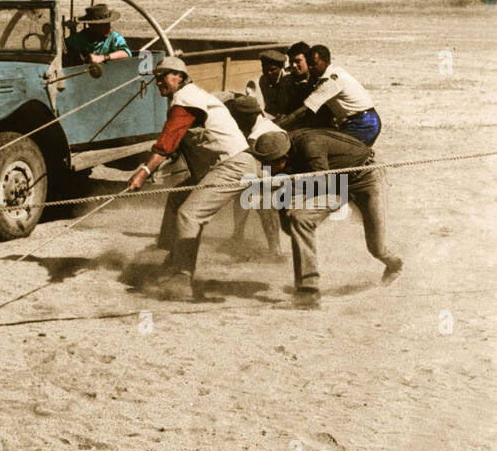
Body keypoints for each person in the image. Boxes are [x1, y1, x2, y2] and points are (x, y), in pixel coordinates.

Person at [125, 56, 256, 301]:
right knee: (177, 199)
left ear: (180, 77)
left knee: (189, 214)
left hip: (234, 165)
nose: (158, 82)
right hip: (220, 166)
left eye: (163, 77)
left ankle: (182, 279)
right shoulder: (185, 98)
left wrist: (143, 172)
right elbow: (176, 147)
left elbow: (167, 142)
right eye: (156, 77)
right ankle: (173, 261)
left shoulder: (187, 98)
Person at [253, 128, 403, 308]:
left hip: (366, 179)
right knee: (299, 218)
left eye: (268, 163)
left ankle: (395, 264)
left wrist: (283, 188)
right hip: (337, 183)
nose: (264, 168)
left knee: (377, 248)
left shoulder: (310, 146)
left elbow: (323, 185)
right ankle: (308, 292)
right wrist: (287, 220)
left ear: (282, 158)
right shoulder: (280, 153)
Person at [275, 45, 381, 145]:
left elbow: (304, 111)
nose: (311, 67)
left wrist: (276, 126)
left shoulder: (330, 80)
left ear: (326, 62)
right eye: (310, 64)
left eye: (314, 64)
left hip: (363, 123)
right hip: (356, 122)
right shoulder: (290, 80)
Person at [222, 93, 284, 260]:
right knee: (244, 193)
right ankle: (237, 235)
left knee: (263, 200)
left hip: (290, 175)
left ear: (248, 117)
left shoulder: (258, 134)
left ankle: (275, 250)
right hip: (272, 172)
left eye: (237, 118)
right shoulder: (259, 124)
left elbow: (252, 166)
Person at [65, 3, 131, 65]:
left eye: (108, 23)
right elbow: (63, 47)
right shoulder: (81, 37)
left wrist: (103, 58)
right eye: (104, 25)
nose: (109, 27)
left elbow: (126, 53)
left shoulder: (114, 37)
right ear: (92, 26)